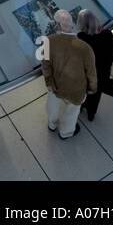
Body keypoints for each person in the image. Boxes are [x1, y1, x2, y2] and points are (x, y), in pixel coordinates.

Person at [41, 9, 97, 139]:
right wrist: (91, 89)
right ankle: (65, 133)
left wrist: (49, 82)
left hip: (56, 85)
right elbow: (91, 74)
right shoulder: (85, 48)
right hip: (76, 90)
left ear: (58, 25)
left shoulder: (49, 41)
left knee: (52, 106)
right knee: (72, 113)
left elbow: (46, 65)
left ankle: (52, 124)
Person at [76, 10, 113, 123]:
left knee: (83, 93)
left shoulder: (81, 38)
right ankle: (91, 114)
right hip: (102, 74)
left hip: (86, 76)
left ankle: (80, 107)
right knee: (95, 95)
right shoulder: (107, 34)